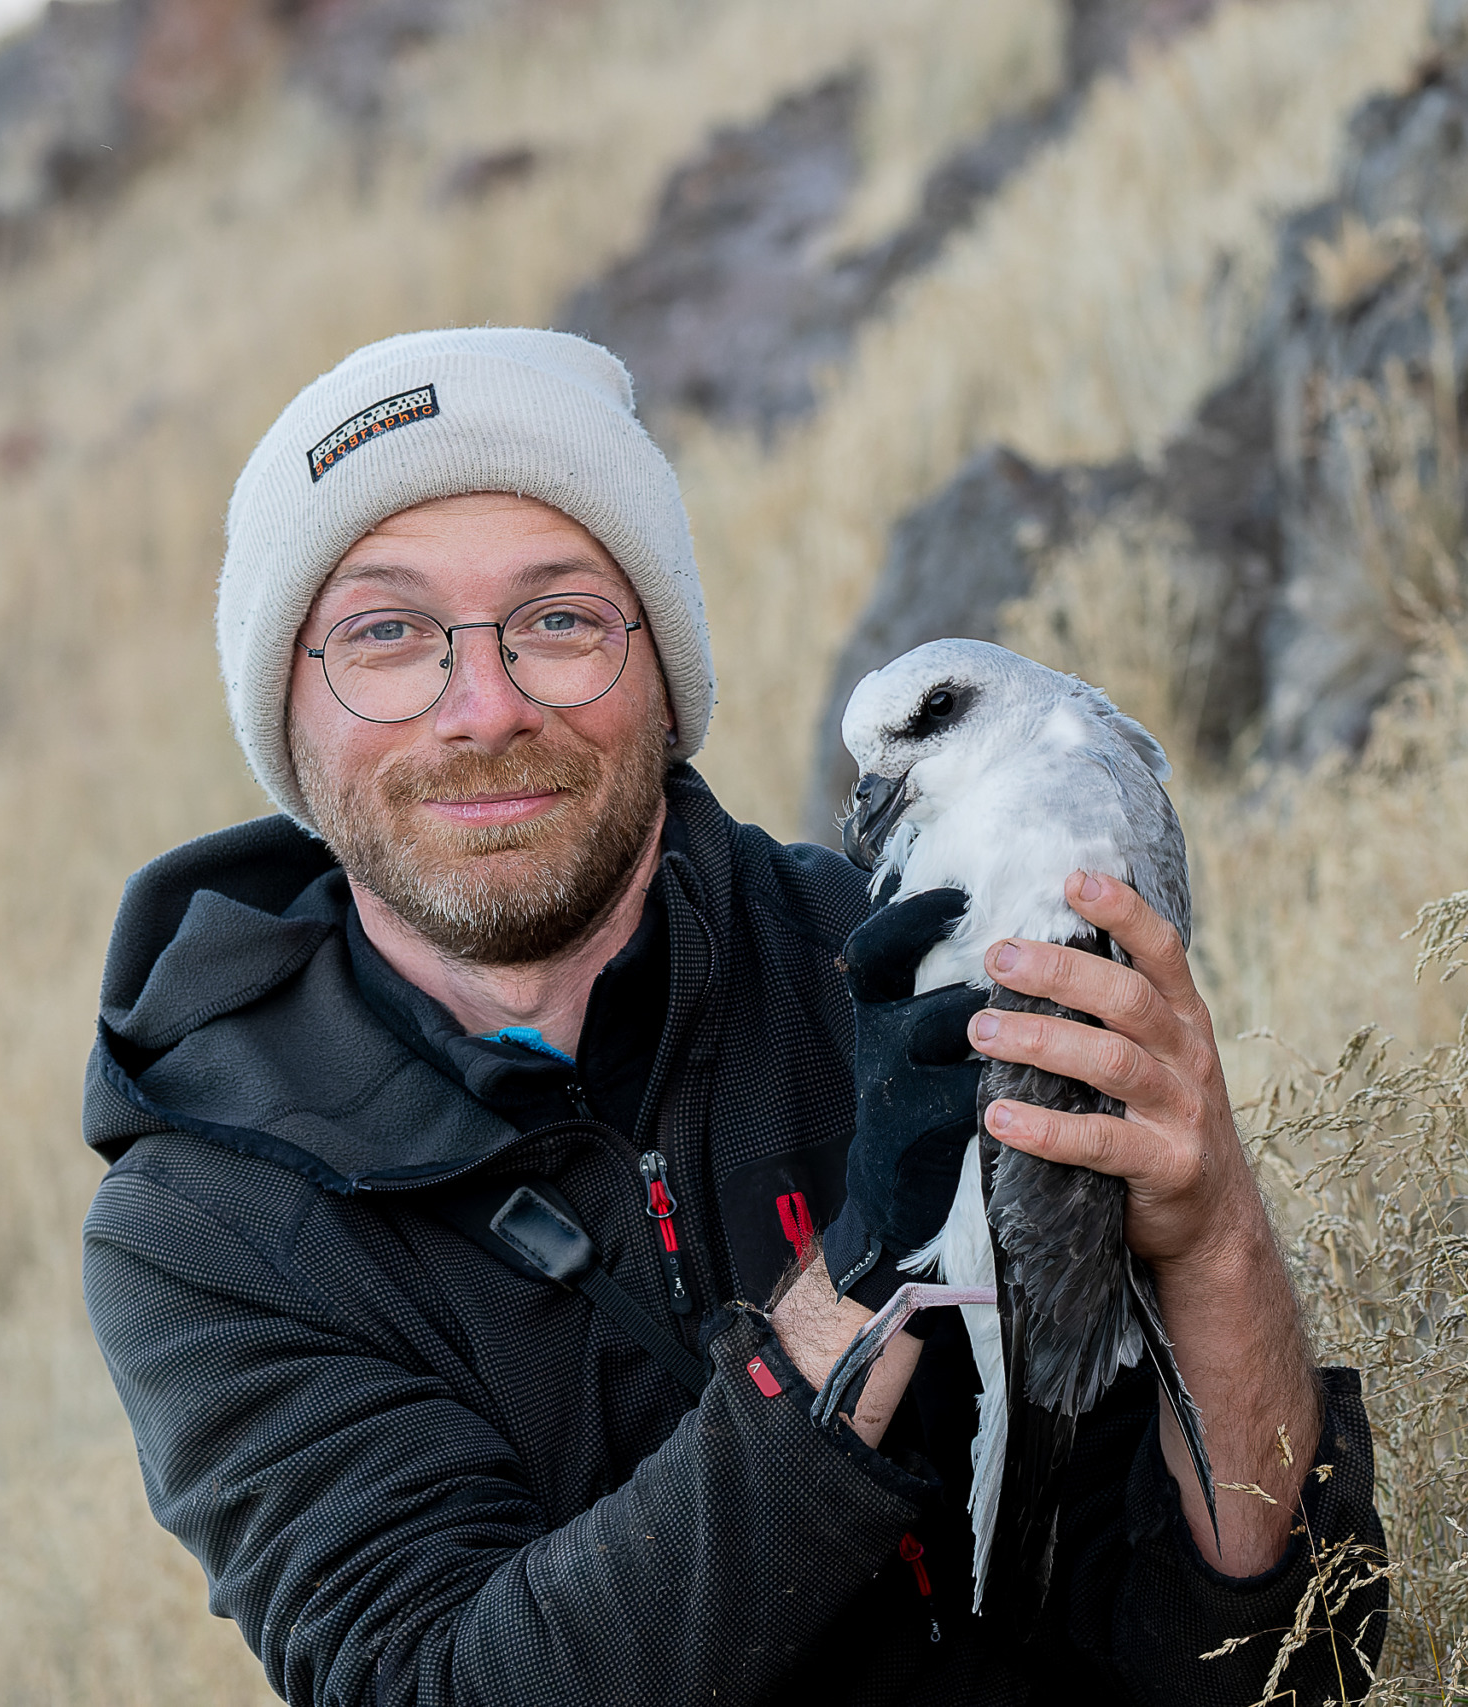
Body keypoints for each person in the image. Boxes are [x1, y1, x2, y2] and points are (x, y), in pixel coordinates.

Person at [80, 327, 1386, 1705]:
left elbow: (1274, 1671)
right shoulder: (212, 1229)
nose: (484, 707)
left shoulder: (888, 969)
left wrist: (1212, 1231)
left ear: (669, 676)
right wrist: (862, 1276)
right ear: (285, 713)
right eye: (385, 634)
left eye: (562, 619)